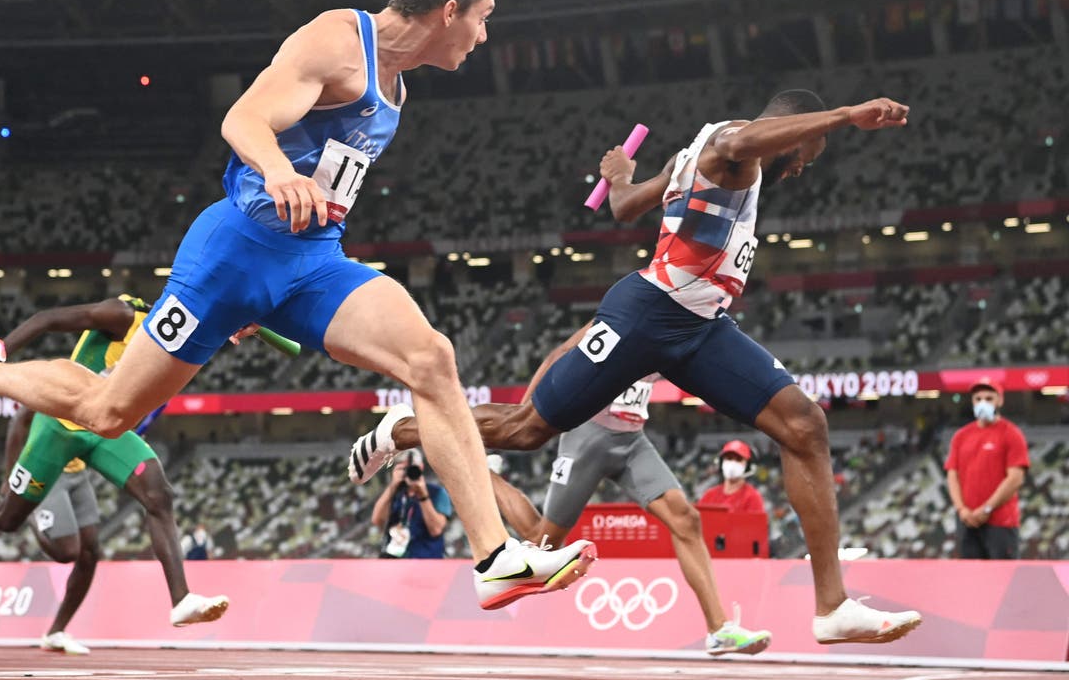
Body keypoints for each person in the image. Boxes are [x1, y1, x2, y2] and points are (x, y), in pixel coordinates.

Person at [0, 0, 595, 611]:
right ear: (449, 10)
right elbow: (245, 118)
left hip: (314, 264)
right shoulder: (336, 42)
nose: (483, 34)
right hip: (233, 256)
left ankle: (495, 559)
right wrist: (279, 171)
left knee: (432, 359)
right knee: (107, 412)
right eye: (482, 17)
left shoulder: (399, 85)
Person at [350, 90, 923, 644]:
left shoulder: (691, 159)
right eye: (804, 156)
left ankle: (832, 608)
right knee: (524, 431)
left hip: (699, 328)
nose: (800, 170)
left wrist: (621, 173)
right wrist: (846, 115)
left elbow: (625, 205)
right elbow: (748, 137)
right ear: (788, 133)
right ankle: (401, 429)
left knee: (805, 424)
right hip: (646, 315)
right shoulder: (730, 145)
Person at [0, 296, 229, 653]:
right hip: (58, 427)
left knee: (154, 497)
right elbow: (47, 317)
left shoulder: (182, 344)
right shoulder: (124, 315)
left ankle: (178, 600)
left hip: (102, 432)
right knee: (9, 519)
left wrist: (239, 322)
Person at [486, 340, 770, 656]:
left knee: (685, 518)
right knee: (543, 543)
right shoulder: (626, 306)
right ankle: (484, 475)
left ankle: (719, 630)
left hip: (633, 440)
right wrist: (521, 418)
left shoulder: (684, 319)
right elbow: (559, 354)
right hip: (587, 436)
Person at [944, 381, 1029, 560]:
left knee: (1004, 580)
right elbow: (953, 475)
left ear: (1000, 401)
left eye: (989, 398)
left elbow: (1015, 478)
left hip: (1000, 522)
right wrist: (962, 510)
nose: (983, 402)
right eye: (978, 398)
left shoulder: (1011, 434)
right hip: (967, 522)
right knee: (972, 580)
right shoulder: (961, 436)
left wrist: (987, 508)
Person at [373, 449, 453, 559]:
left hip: (427, 562)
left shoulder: (437, 492)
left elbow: (436, 530)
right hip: (395, 561)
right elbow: (377, 521)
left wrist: (423, 496)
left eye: (411, 469)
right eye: (402, 469)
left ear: (421, 467)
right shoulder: (395, 493)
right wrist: (393, 486)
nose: (407, 473)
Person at [698, 439, 765, 513]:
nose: (733, 463)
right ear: (721, 463)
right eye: (729, 458)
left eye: (738, 459)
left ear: (747, 466)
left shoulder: (752, 497)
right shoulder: (709, 495)